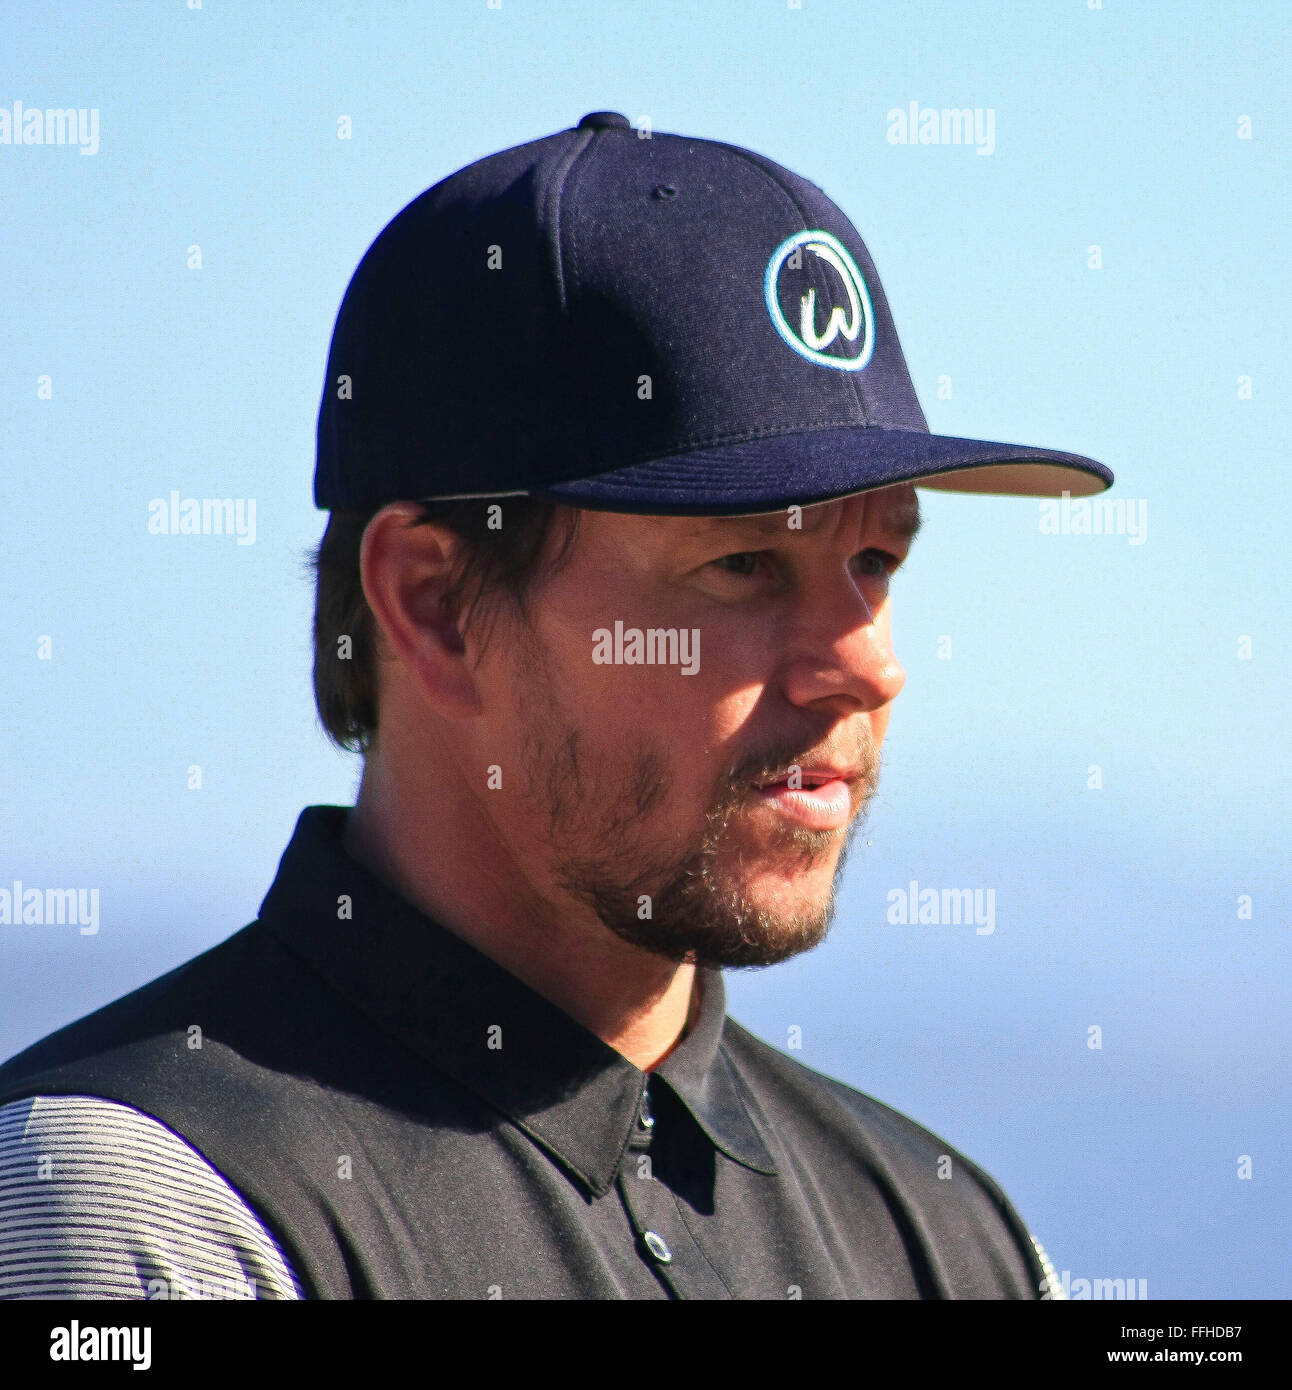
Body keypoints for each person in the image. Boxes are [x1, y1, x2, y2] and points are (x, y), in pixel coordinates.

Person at [0, 111, 1109, 1300]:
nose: (863, 663)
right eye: (742, 565)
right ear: (433, 604)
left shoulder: (950, 1244)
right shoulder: (138, 1202)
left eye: (875, 563)